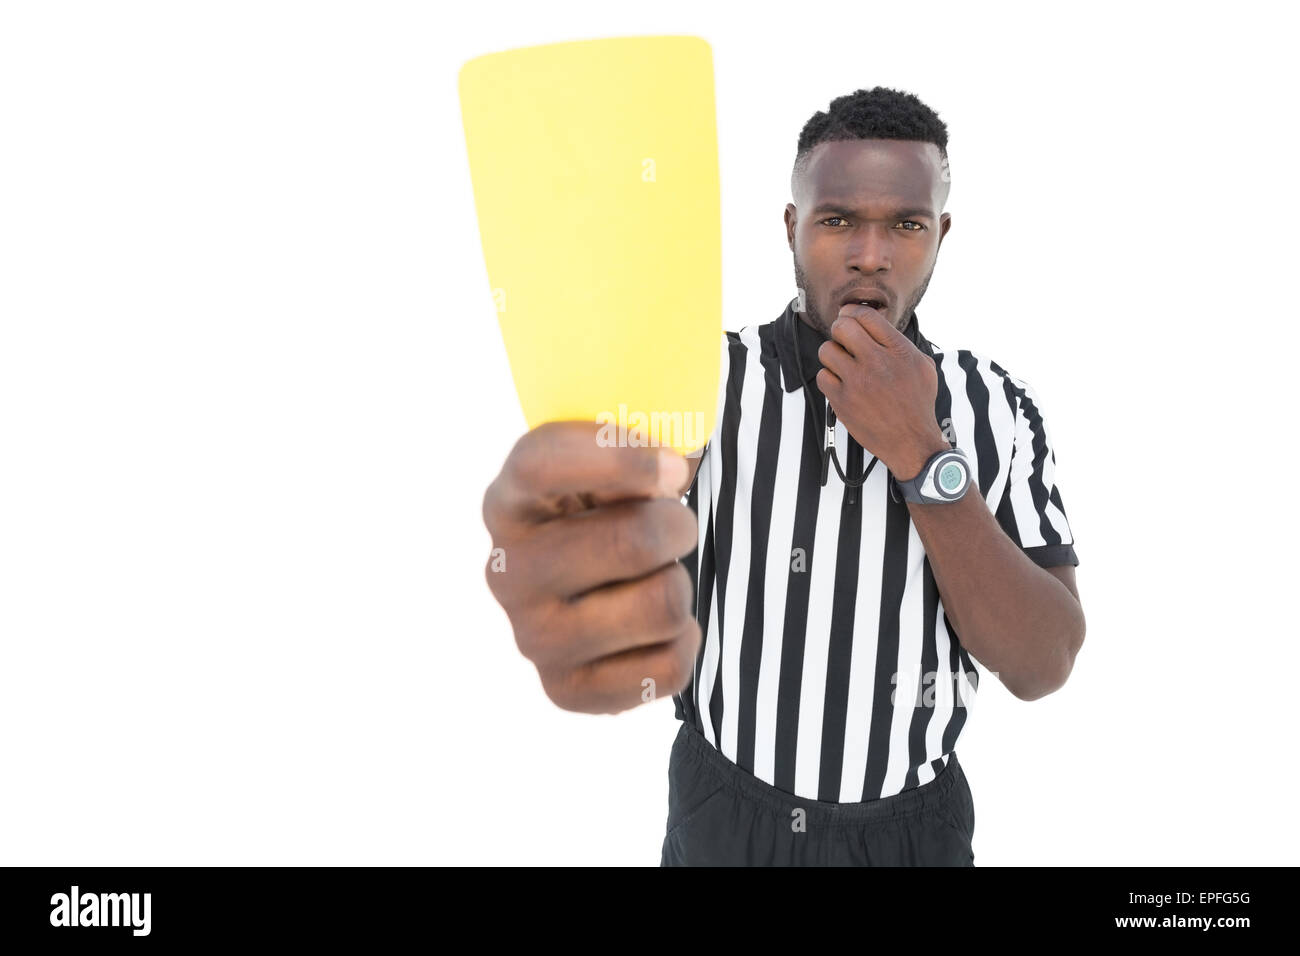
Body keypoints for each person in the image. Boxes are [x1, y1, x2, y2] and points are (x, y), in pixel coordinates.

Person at [481, 87, 1085, 866]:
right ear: (794, 228)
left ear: (941, 234)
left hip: (913, 829)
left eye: (906, 224)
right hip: (726, 807)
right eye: (838, 220)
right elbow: (594, 548)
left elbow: (1043, 663)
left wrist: (923, 456)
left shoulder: (997, 404)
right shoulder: (698, 379)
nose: (872, 253)